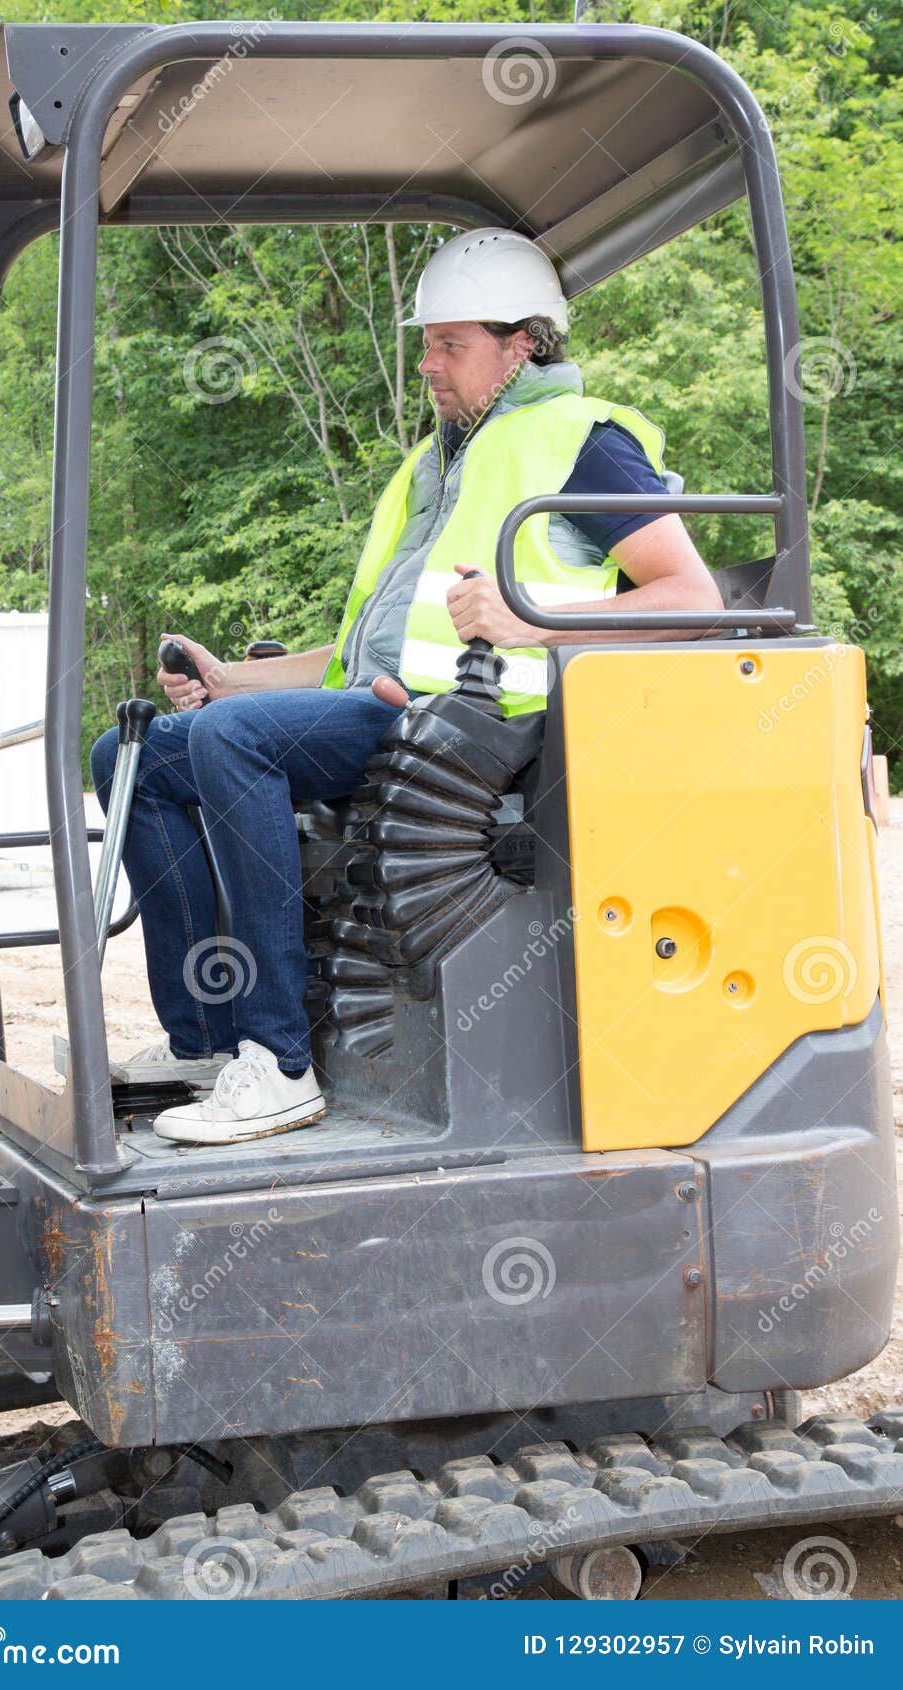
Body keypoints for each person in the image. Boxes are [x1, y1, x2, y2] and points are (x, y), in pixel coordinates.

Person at [90, 227, 723, 1146]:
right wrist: (231, 682)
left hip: (483, 729)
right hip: (390, 712)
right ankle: (205, 1038)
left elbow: (690, 597)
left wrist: (533, 621)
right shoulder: (436, 465)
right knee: (133, 752)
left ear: (522, 343)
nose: (427, 363)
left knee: (232, 745)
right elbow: (357, 656)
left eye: (449, 343)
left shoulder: (581, 443)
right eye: (424, 342)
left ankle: (279, 1064)